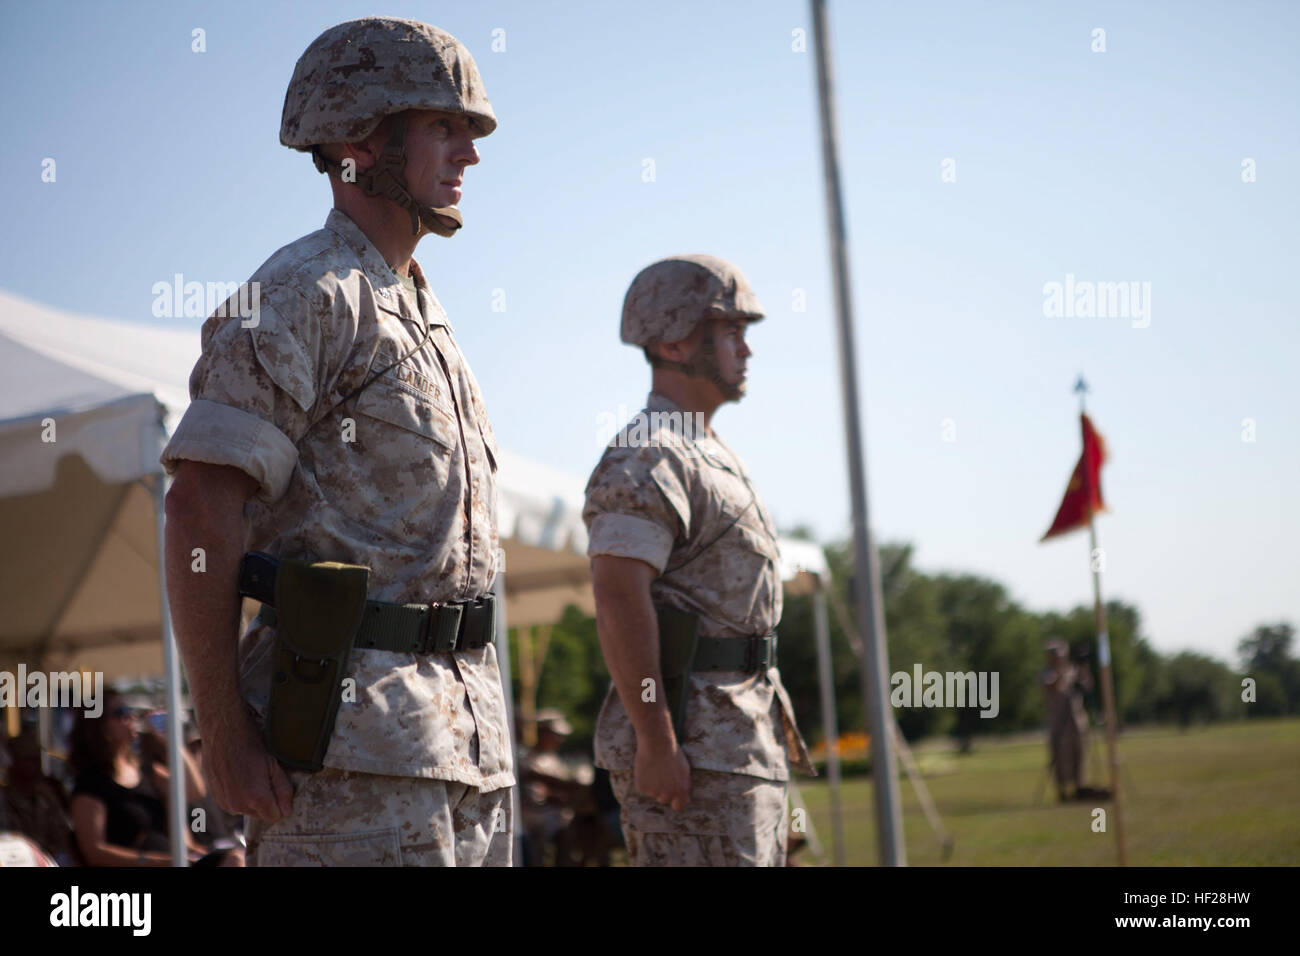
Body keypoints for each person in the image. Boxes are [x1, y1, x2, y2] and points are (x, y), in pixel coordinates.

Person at [160, 17, 513, 867]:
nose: (468, 153)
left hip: (464, 752)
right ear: (362, 133)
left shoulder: (423, 314)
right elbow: (201, 508)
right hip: (348, 764)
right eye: (443, 125)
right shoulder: (302, 293)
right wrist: (224, 731)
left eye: (469, 131)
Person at [583, 255, 815, 867]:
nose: (747, 349)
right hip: (695, 750)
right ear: (675, 339)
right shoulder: (648, 454)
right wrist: (657, 742)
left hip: (737, 741)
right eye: (731, 330)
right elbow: (617, 598)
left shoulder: (704, 449)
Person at [68, 691, 209, 866]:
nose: (132, 716)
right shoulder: (92, 785)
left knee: (235, 858)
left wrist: (170, 741)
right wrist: (157, 861)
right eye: (121, 713)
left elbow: (195, 791)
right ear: (101, 725)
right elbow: (95, 852)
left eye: (130, 710)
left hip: (171, 859)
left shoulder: (147, 771)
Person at [1041, 638, 1106, 802]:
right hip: (1057, 722)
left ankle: (1079, 789)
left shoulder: (1074, 670)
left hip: (1076, 721)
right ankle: (1062, 792)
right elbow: (1051, 686)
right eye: (1053, 654)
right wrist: (1062, 673)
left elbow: (1087, 686)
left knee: (1079, 756)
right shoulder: (1048, 672)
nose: (1057, 657)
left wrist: (1084, 669)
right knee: (1060, 759)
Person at [0, 727, 76, 865]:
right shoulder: (4, 800)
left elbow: (63, 836)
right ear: (14, 763)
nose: (36, 765)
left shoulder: (47, 795)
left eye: (37, 759)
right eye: (29, 760)